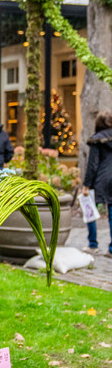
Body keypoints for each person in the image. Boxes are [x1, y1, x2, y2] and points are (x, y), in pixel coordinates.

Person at [82, 111, 112, 258]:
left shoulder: (97, 140)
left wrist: (86, 184)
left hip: (102, 179)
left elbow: (92, 165)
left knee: (90, 209)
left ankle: (93, 244)